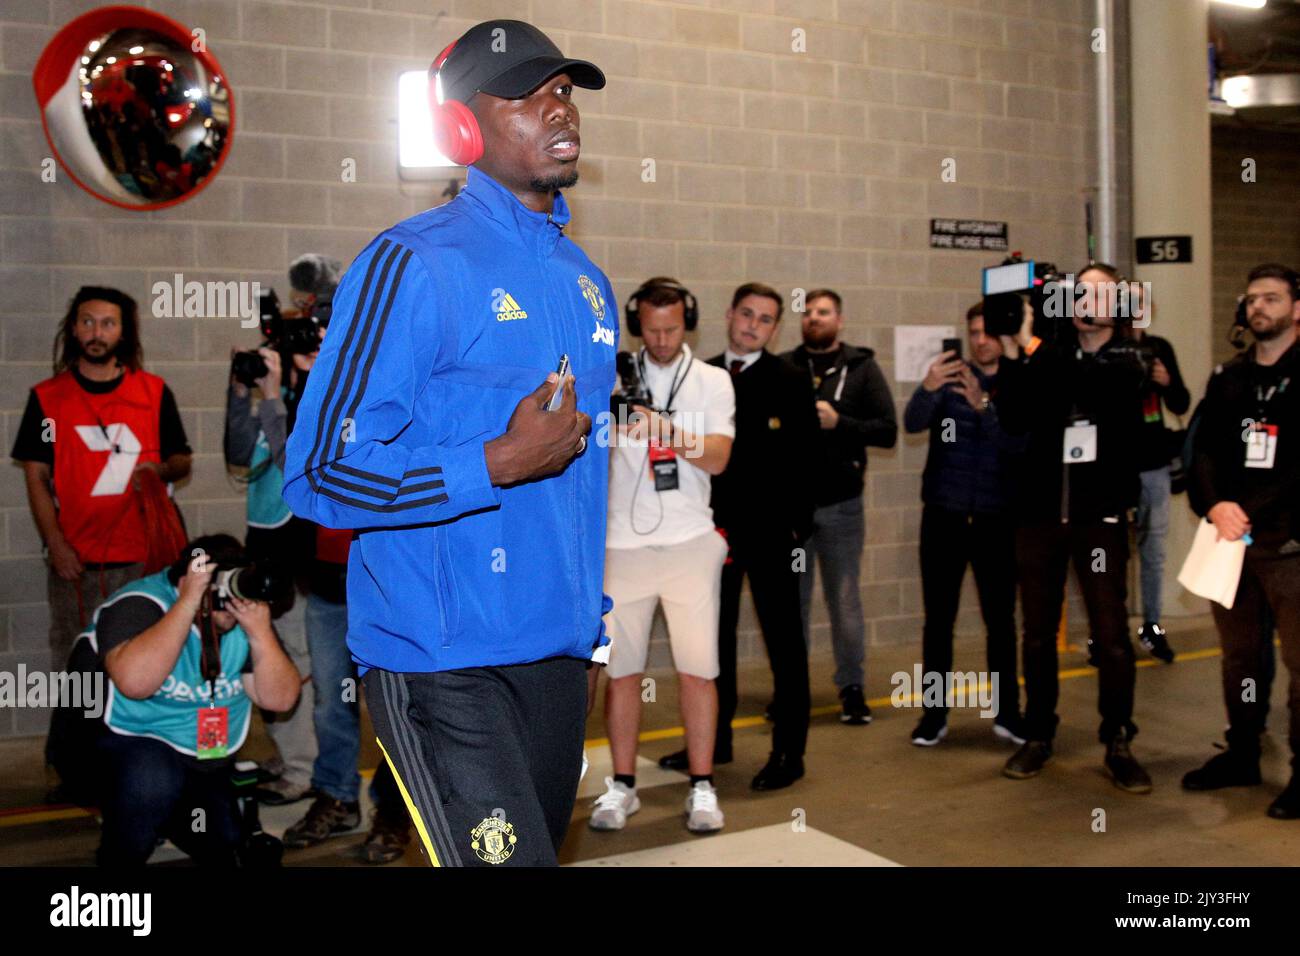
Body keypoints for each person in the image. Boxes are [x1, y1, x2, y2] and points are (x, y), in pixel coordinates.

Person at [283, 19, 614, 867]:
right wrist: (494, 462)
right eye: (530, 92)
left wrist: (589, 622)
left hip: (555, 654)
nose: (559, 108)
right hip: (440, 660)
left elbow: (582, 483)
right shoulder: (410, 264)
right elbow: (320, 475)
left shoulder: (587, 284)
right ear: (461, 127)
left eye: (566, 90)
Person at [10, 286, 192, 798]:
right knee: (77, 667)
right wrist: (56, 543)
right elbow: (36, 475)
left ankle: (139, 766)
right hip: (77, 562)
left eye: (108, 323)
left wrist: (160, 468)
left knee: (139, 667)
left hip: (142, 562)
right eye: (87, 322)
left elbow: (182, 458)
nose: (97, 333)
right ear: (73, 329)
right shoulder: (48, 399)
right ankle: (75, 769)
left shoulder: (154, 392)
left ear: (123, 332)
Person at [993, 263, 1152, 793]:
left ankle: (1118, 739)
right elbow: (1013, 417)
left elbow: (1088, 386)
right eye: (1077, 292)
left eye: (1099, 293)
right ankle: (1039, 733)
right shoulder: (1048, 355)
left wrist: (1034, 344)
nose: (1086, 301)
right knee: (1036, 634)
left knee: (1110, 635)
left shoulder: (1131, 358)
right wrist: (1016, 351)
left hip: (1098, 515)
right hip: (1039, 513)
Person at [660, 283, 818, 791]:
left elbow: (807, 456)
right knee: (710, 642)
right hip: (712, 530)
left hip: (772, 534)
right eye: (746, 313)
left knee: (785, 644)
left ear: (776, 328)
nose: (753, 324)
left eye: (766, 319)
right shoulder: (699, 375)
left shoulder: (790, 378)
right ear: (729, 314)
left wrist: (797, 526)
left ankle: (789, 753)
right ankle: (714, 741)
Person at [590, 278, 734, 833]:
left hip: (690, 542)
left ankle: (702, 786)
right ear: (636, 324)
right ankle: (622, 785)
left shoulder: (712, 381)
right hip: (622, 545)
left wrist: (663, 429)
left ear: (688, 321)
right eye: (651, 329)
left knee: (698, 670)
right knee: (621, 672)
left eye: (672, 328)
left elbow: (719, 458)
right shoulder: (614, 376)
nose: (663, 338)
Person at [92, 535, 300, 866]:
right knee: (152, 787)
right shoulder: (140, 604)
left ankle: (166, 816)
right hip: (131, 744)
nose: (230, 601)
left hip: (203, 756)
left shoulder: (243, 615)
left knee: (225, 843)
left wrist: (260, 634)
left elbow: (281, 700)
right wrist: (188, 604)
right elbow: (134, 683)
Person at [1182, 263, 1300, 820]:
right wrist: (1216, 505)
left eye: (1272, 298)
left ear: (1296, 308)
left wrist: (1245, 509)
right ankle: (1243, 752)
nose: (1259, 308)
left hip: (1290, 544)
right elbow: (1201, 451)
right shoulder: (1229, 378)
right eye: (1252, 299)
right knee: (1241, 659)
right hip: (1232, 544)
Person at [225, 254, 339, 806]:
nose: (306, 347)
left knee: (303, 657)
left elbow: (296, 461)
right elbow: (237, 454)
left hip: (304, 544)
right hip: (265, 537)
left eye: (314, 336)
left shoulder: (334, 393)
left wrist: (273, 397)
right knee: (267, 648)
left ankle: (306, 769)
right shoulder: (277, 384)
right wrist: (240, 389)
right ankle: (291, 756)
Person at [903, 302, 1025, 746]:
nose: (980, 340)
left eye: (988, 332)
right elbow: (912, 423)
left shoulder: (1018, 383)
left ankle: (1007, 712)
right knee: (938, 621)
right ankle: (933, 715)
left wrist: (985, 406)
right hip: (944, 515)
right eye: (973, 332)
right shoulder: (948, 381)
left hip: (997, 519)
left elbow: (1020, 446)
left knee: (1001, 621)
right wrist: (928, 387)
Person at [782, 288, 896, 725]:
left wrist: (839, 422)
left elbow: (887, 430)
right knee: (793, 605)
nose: (814, 318)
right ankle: (792, 692)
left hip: (842, 508)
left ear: (839, 320)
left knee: (845, 601)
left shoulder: (862, 368)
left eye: (823, 312)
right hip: (793, 514)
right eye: (808, 312)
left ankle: (852, 688)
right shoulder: (788, 367)